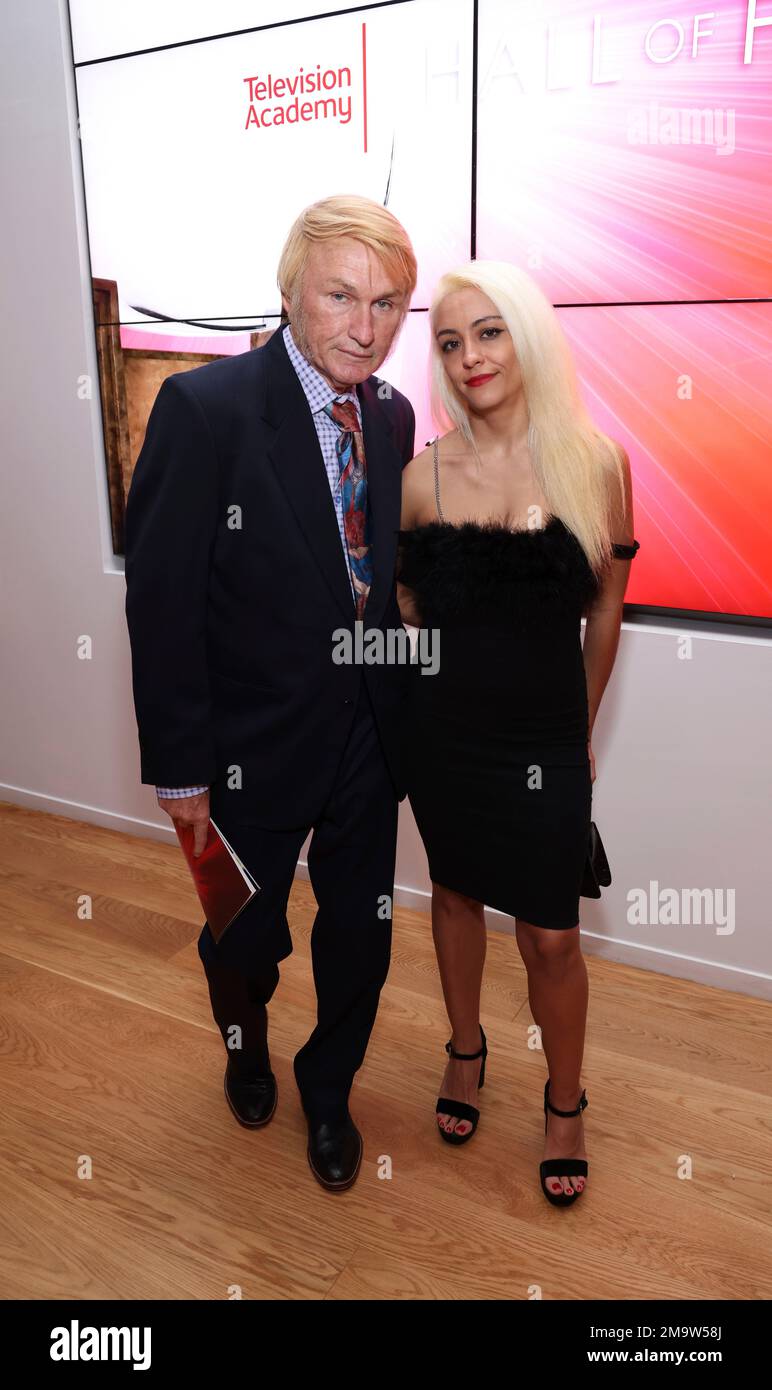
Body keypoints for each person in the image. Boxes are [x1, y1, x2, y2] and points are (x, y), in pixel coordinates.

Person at [124, 195, 417, 1191]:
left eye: (386, 302)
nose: (364, 326)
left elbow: (372, 579)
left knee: (362, 939)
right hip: (246, 744)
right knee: (244, 937)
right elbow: (163, 603)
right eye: (340, 296)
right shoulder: (204, 410)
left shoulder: (391, 413)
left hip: (365, 737)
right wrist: (180, 772)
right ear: (290, 291)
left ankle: (328, 1092)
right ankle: (244, 1043)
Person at [396, 261, 640, 1207]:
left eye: (490, 331)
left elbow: (606, 609)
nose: (471, 356)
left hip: (544, 741)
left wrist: (579, 727)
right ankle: (466, 1050)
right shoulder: (423, 478)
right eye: (451, 341)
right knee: (454, 896)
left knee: (551, 937)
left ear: (528, 335)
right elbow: (409, 606)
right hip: (445, 739)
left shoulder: (596, 464)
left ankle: (565, 1101)